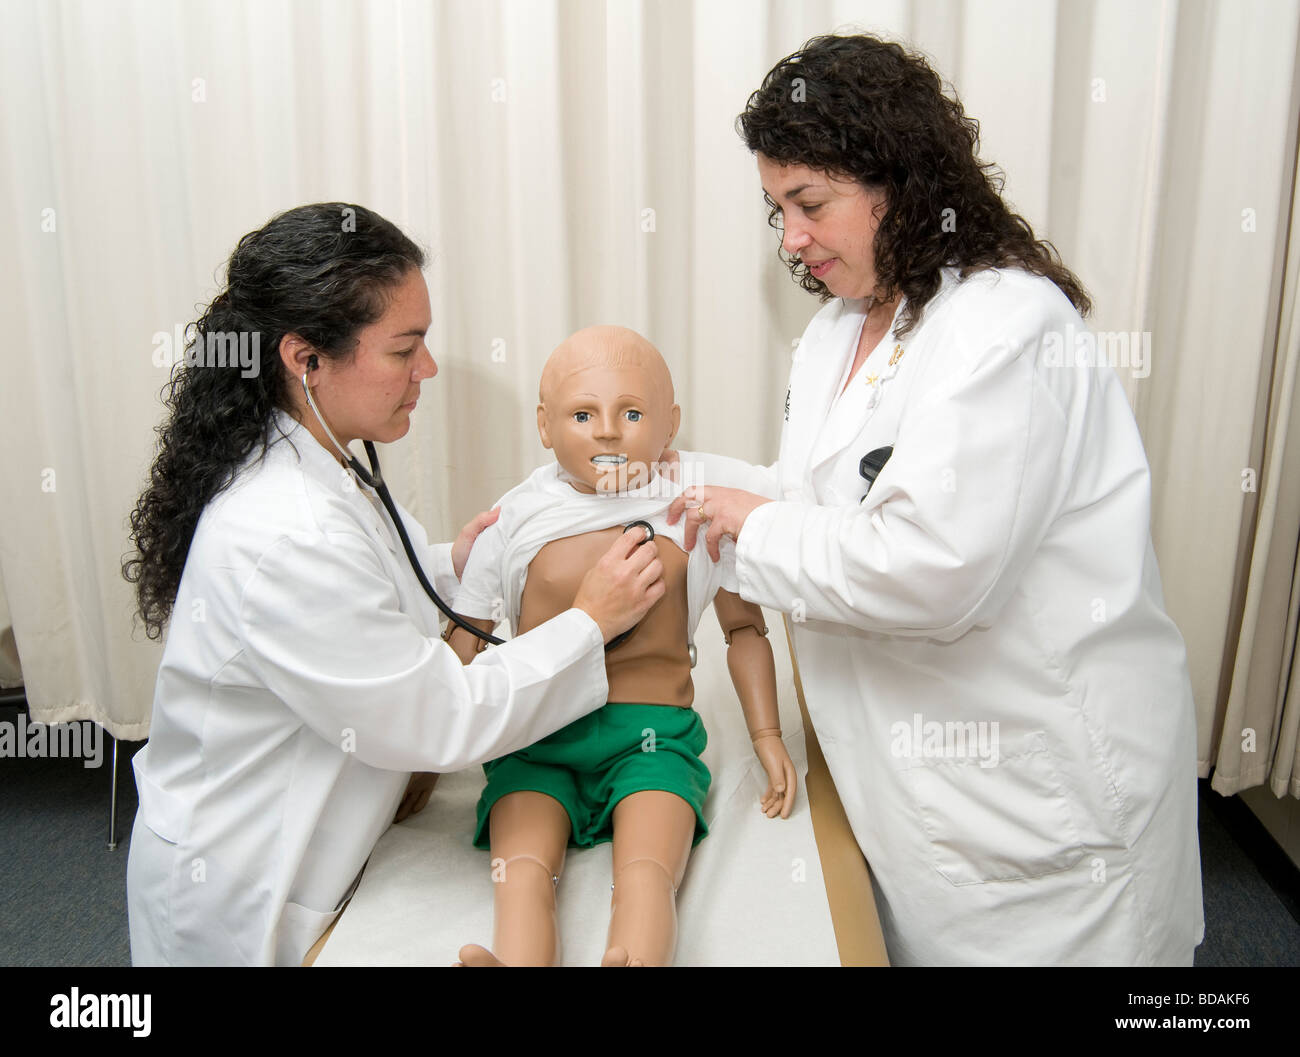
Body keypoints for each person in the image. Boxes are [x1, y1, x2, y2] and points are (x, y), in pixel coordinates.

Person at [667, 34, 1203, 966]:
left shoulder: (1007, 325)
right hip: (925, 785)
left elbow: (932, 568)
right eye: (776, 209)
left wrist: (746, 525)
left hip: (1037, 798)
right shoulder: (845, 326)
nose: (790, 237)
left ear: (901, 182)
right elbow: (815, 499)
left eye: (810, 204)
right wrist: (653, 482)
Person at [122, 203, 664, 966]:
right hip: (248, 880)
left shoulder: (327, 461)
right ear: (305, 359)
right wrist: (587, 622)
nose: (428, 370)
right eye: (405, 348)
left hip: (322, 823)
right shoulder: (283, 533)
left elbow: (375, 584)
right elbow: (441, 715)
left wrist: (457, 563)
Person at [445, 326, 797, 967]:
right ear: (545, 428)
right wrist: (417, 765)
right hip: (537, 736)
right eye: (583, 414)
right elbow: (464, 636)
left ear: (671, 424)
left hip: (652, 739)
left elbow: (743, 629)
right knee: (522, 871)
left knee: (646, 873)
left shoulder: (695, 512)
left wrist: (767, 738)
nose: (607, 431)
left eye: (631, 413)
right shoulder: (514, 520)